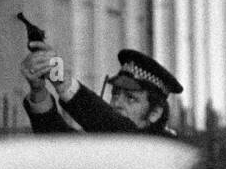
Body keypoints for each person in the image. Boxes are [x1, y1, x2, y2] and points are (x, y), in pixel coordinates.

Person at [20, 44, 181, 136]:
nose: (117, 103)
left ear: (155, 113)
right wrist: (38, 90)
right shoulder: (110, 142)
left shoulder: (159, 147)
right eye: (115, 94)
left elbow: (115, 126)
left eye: (131, 98)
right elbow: (59, 143)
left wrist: (60, 78)